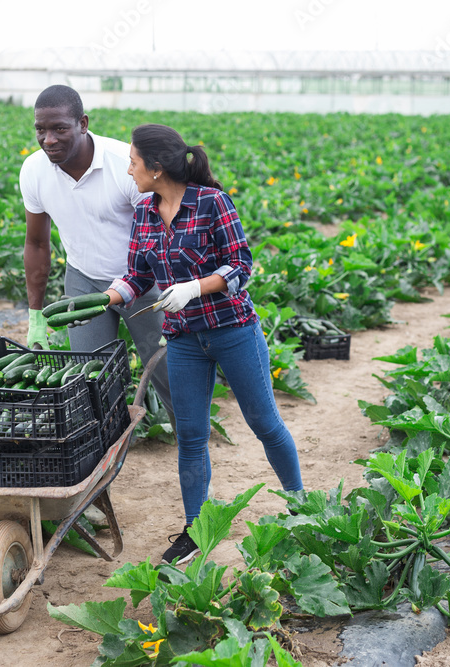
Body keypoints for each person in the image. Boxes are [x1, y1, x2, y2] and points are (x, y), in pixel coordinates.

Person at [103, 124, 303, 565]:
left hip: (233, 330)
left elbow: (241, 265)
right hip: (183, 340)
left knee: (264, 423)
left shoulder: (211, 202)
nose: (129, 168)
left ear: (156, 168)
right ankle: (195, 532)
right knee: (190, 436)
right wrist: (107, 297)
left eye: (134, 161)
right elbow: (138, 275)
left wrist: (195, 288)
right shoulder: (143, 212)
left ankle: (303, 507)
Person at [20, 84, 172, 419]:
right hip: (83, 280)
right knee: (93, 378)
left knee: (166, 371)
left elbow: (159, 237)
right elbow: (36, 243)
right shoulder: (34, 171)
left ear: (83, 123)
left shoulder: (125, 166)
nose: (49, 139)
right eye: (40, 130)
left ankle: (191, 446)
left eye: (60, 128)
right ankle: (105, 450)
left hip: (142, 284)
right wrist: (35, 316)